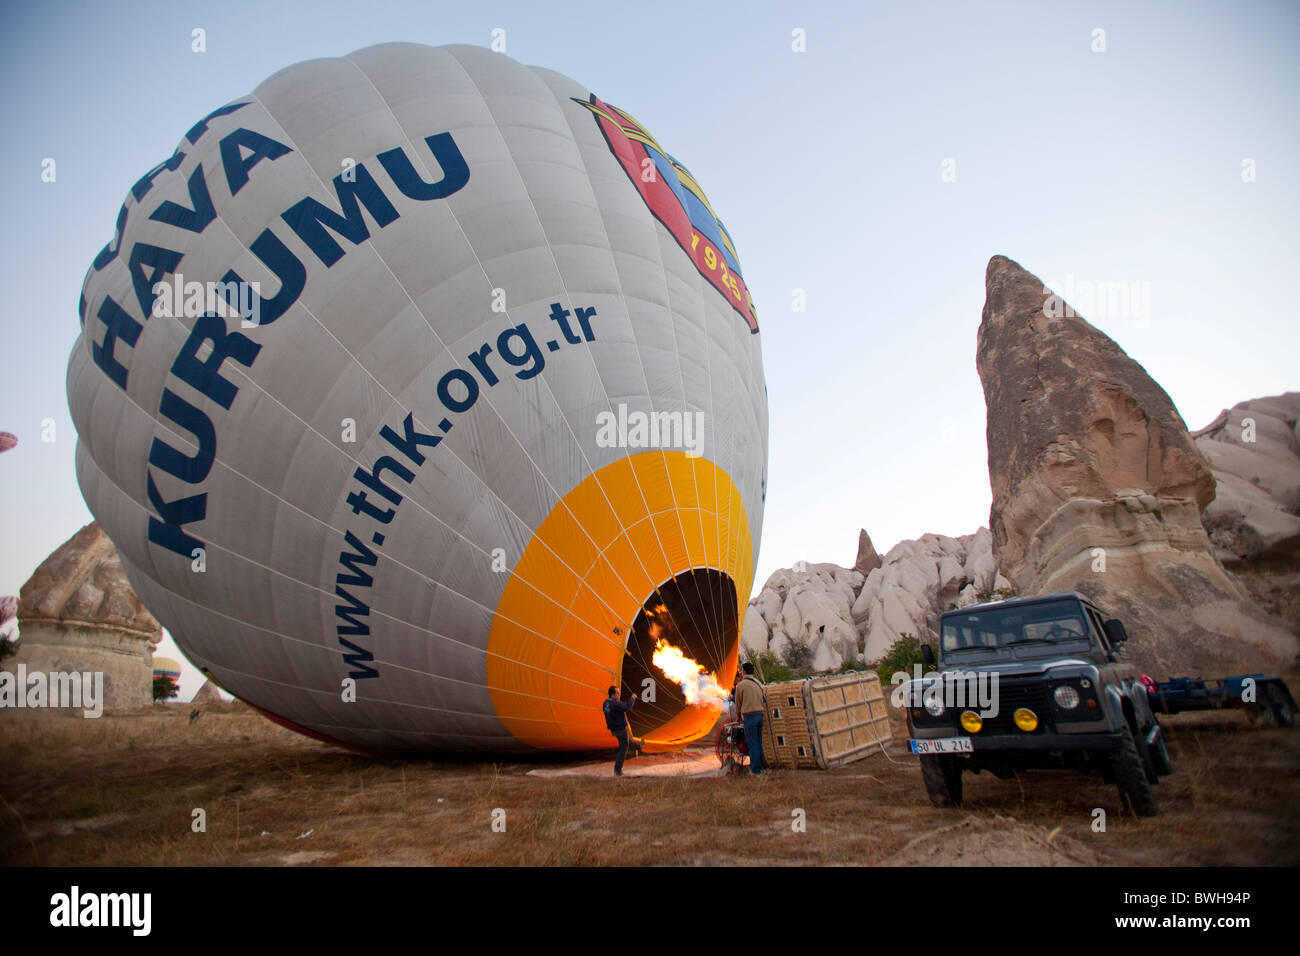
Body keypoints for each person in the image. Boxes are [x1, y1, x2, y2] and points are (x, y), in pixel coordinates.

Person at [733, 662, 767, 775]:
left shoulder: (741, 685)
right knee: (758, 742)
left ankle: (756, 771)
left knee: (752, 744)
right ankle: (763, 766)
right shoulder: (758, 683)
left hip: (750, 716)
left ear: (744, 672)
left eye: (742, 671)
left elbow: (737, 704)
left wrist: (738, 716)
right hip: (760, 714)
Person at [602, 686, 643, 776]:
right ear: (612, 694)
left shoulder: (606, 703)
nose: (619, 694)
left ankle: (639, 745)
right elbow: (627, 706)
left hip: (614, 730)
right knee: (623, 748)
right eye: (617, 693)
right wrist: (633, 698)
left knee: (626, 740)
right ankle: (618, 770)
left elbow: (611, 711)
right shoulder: (615, 704)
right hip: (620, 729)